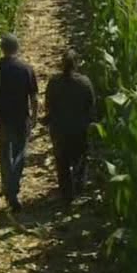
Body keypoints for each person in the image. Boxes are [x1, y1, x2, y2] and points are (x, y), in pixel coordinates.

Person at [0, 33, 38, 213]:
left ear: (2, 49)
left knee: (5, 154)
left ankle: (9, 187)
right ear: (17, 48)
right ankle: (12, 187)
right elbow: (34, 97)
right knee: (21, 152)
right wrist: (35, 116)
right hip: (21, 118)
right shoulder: (26, 69)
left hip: (2, 119)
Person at [44, 50, 96, 203]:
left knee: (62, 161)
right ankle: (79, 188)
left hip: (59, 129)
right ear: (77, 64)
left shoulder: (54, 82)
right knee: (80, 158)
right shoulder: (85, 82)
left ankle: (66, 193)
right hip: (80, 128)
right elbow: (91, 105)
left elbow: (48, 105)